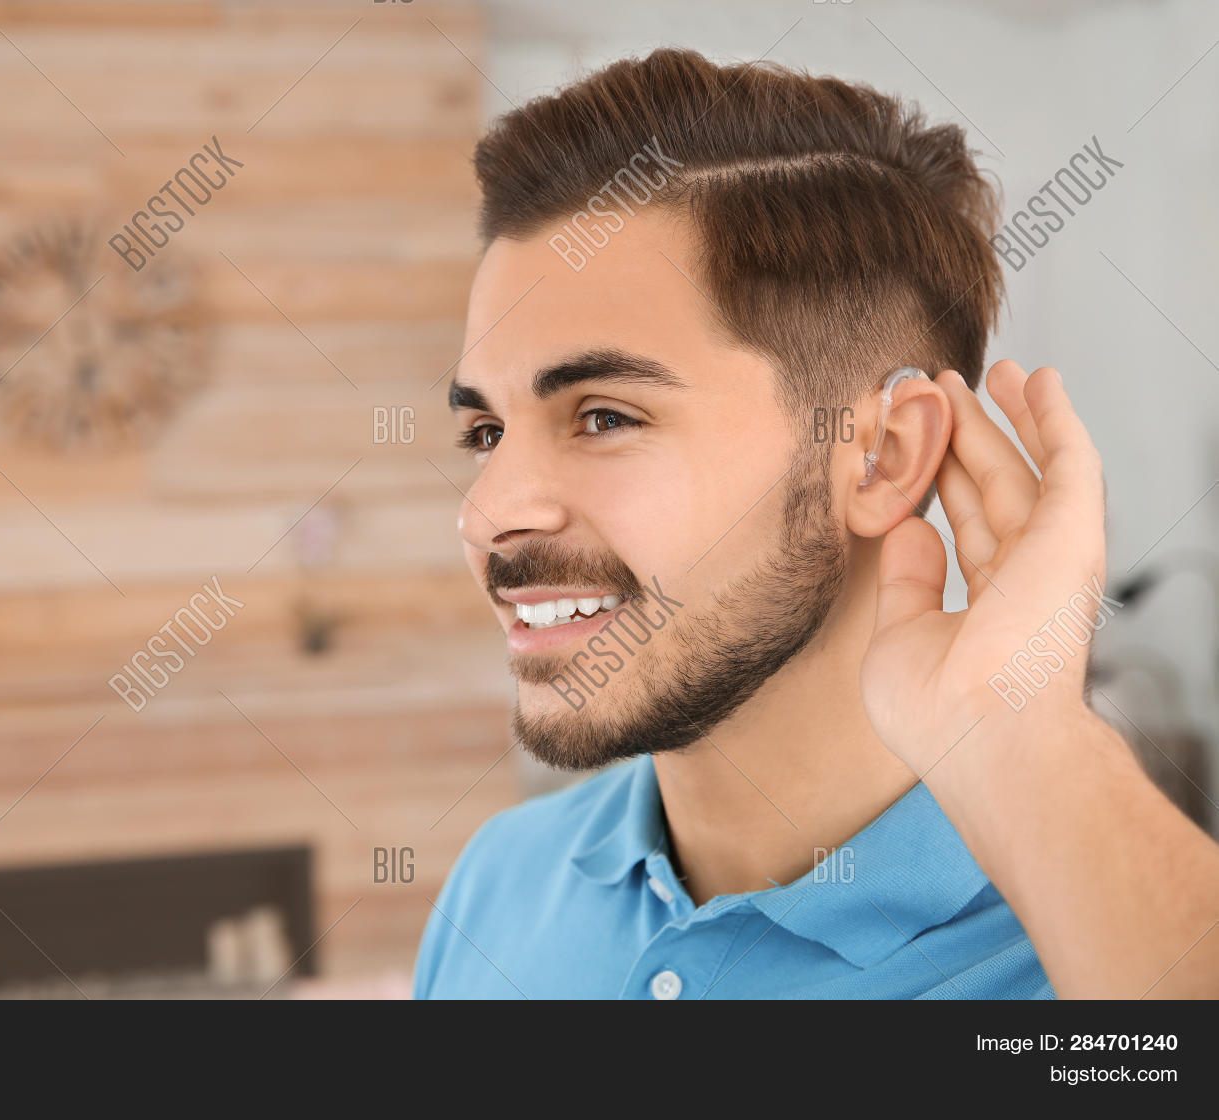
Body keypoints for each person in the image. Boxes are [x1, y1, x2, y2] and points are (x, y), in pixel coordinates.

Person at [412, 49, 1219, 999]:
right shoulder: (502, 881)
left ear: (879, 458)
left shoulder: (1075, 982)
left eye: (603, 417)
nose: (490, 512)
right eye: (486, 431)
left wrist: (1027, 733)